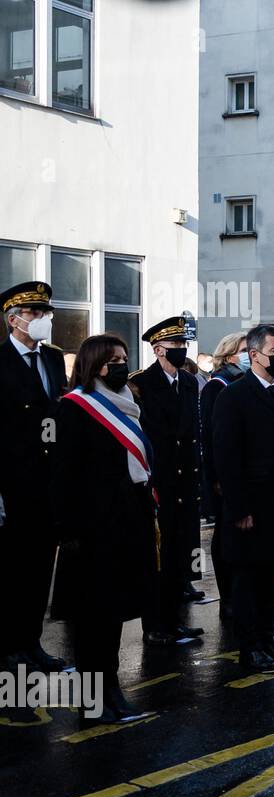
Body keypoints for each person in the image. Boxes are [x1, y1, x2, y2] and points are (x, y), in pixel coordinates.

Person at [50, 334, 157, 724]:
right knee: (92, 622)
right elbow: (64, 474)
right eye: (114, 359)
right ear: (95, 365)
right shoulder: (76, 408)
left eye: (125, 358)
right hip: (93, 530)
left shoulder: (128, 405)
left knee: (113, 617)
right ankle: (94, 701)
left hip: (128, 521)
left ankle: (112, 690)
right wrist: (70, 530)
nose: (121, 365)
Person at [212, 324, 274, 674]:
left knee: (271, 580)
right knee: (247, 583)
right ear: (254, 355)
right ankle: (249, 648)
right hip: (251, 509)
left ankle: (268, 642)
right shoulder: (234, 396)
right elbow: (226, 456)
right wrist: (238, 508)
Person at [0, 281, 68, 673]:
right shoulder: (0, 360)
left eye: (46, 313)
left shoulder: (54, 359)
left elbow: (54, 414)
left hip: (47, 482)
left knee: (41, 567)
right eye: (35, 313)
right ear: (15, 320)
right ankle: (9, 647)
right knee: (12, 569)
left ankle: (32, 642)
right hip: (13, 482)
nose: (44, 319)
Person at [130, 318, 204, 648]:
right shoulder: (141, 384)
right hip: (159, 480)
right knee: (157, 559)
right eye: (175, 346)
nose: (182, 351)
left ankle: (175, 621)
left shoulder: (187, 382)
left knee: (179, 555)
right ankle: (155, 625)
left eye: (183, 345)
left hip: (185, 481)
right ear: (159, 350)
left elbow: (192, 431)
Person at [200, 332, 246, 620]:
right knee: (227, 534)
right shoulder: (217, 386)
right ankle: (228, 597)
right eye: (243, 350)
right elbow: (212, 435)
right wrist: (216, 477)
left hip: (246, 471)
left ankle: (241, 595)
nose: (247, 354)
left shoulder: (245, 382)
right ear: (230, 355)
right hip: (224, 473)